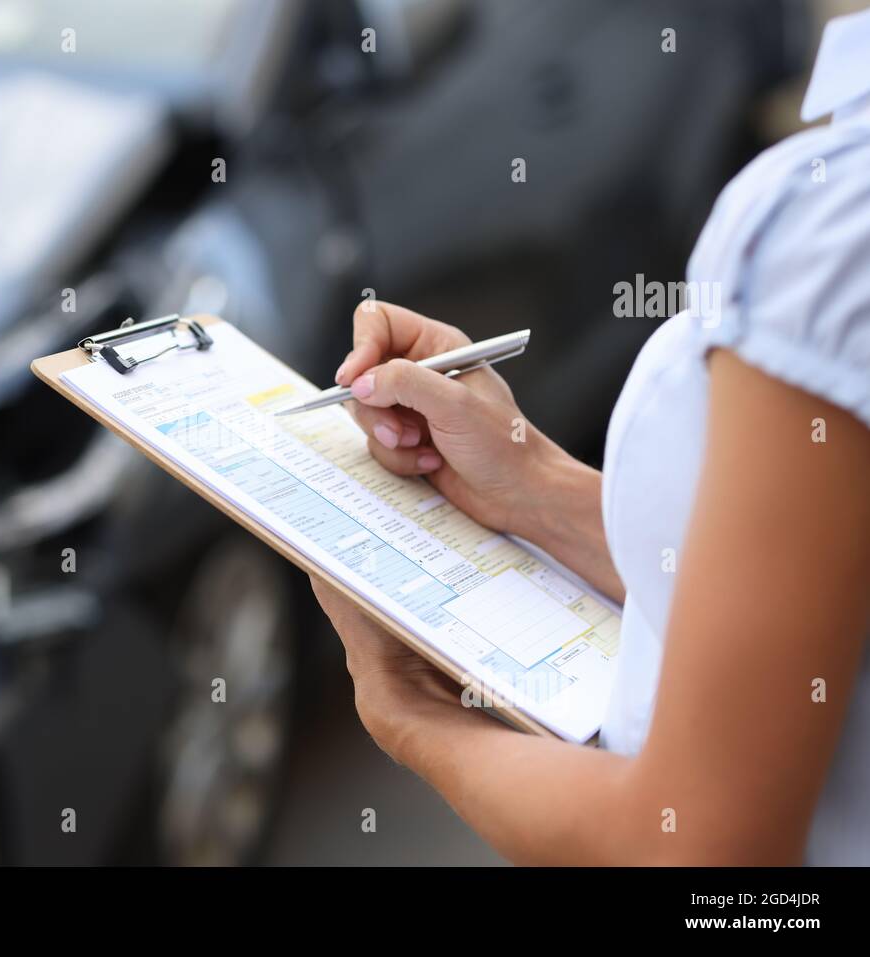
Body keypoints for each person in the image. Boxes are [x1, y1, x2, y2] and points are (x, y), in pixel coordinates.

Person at [313, 8, 870, 865]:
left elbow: (699, 851)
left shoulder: (827, 229)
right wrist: (528, 479)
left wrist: (410, 713)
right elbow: (804, 601)